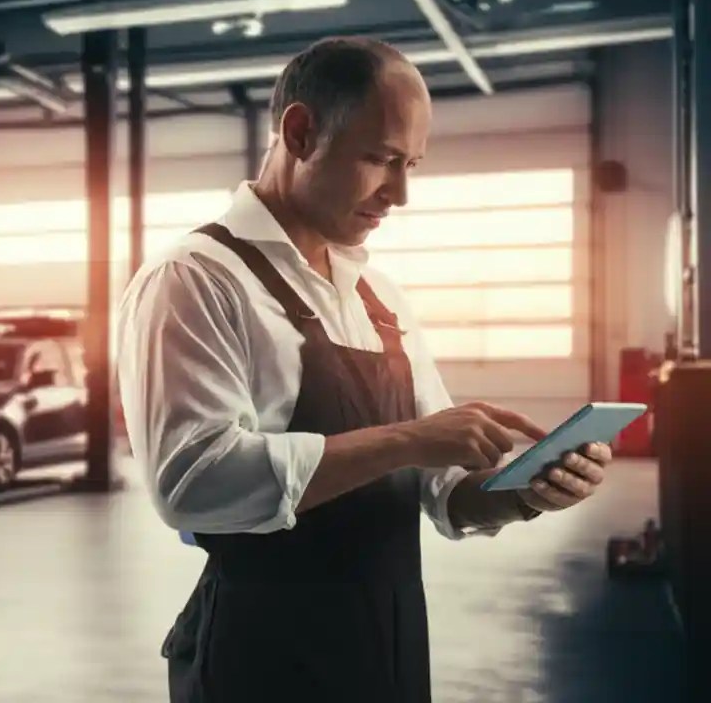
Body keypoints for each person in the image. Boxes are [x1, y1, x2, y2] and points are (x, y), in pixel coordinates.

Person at [114, 36, 614, 703]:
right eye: (381, 159)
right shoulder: (197, 279)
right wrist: (407, 439)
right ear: (300, 133)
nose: (399, 194)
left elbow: (444, 488)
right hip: (262, 661)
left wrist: (527, 491)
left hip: (387, 648)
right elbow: (192, 484)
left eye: (412, 165)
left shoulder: (379, 299)